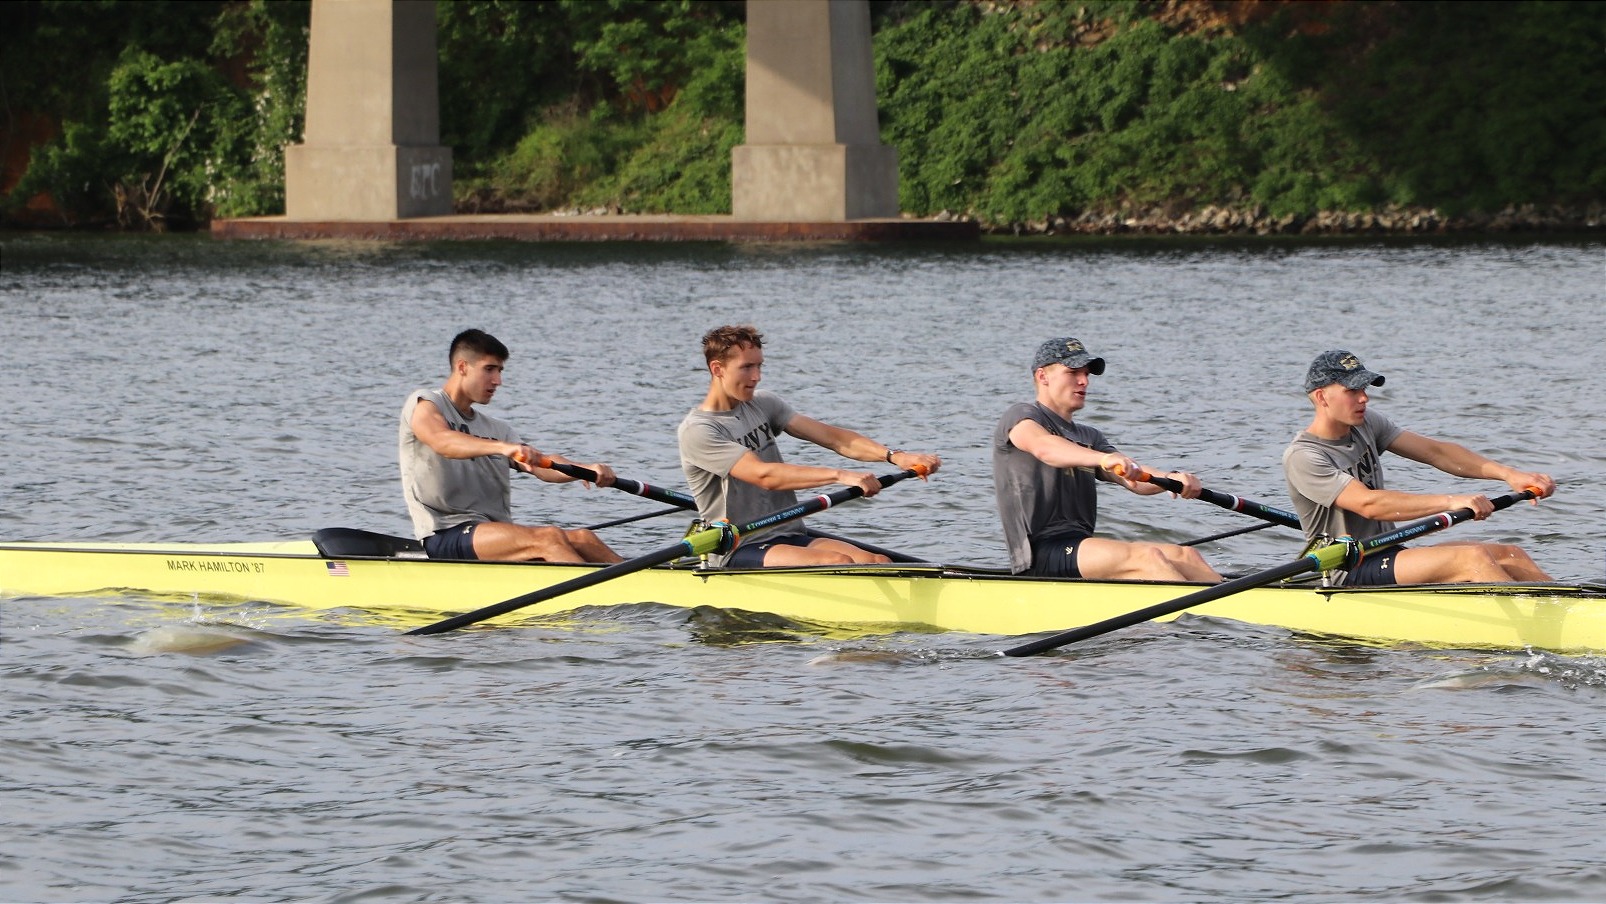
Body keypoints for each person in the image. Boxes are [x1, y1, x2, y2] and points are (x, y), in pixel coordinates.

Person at [1282, 349, 1556, 585]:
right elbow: (1369, 504)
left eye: (1364, 389)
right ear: (1321, 397)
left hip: (1388, 553)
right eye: (1352, 391)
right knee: (1471, 558)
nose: (1364, 398)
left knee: (1511, 554)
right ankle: (1535, 632)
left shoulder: (1366, 424)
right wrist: (1451, 501)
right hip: (1345, 568)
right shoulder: (1305, 456)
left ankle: (1575, 614)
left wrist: (1509, 474)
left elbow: (1437, 453)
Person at [677, 325, 943, 567]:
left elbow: (835, 438)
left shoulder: (763, 404)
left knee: (876, 560)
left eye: (760, 366)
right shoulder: (699, 430)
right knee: (837, 562)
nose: (757, 376)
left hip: (788, 534)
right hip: (738, 546)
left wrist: (895, 456)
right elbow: (764, 476)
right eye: (747, 367)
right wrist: (839, 475)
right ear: (717, 369)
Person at [992, 337, 1223, 582]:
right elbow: (1044, 447)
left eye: (1086, 374)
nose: (1084, 381)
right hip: (1040, 553)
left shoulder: (1090, 436)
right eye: (1073, 373)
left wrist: (1171, 478)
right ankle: (1188, 617)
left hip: (1080, 547)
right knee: (1148, 557)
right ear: (1043, 376)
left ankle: (1228, 612)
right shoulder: (1022, 416)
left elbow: (1134, 478)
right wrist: (1103, 459)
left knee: (1187, 555)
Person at [399, 329, 624, 564]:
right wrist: (501, 448)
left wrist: (587, 469)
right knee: (549, 538)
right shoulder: (425, 403)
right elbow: (442, 441)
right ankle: (600, 595)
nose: (498, 381)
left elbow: (541, 465)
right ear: (463, 367)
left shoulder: (497, 429)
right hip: (446, 533)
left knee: (584, 538)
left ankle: (642, 585)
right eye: (489, 369)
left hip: (493, 534)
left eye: (500, 370)